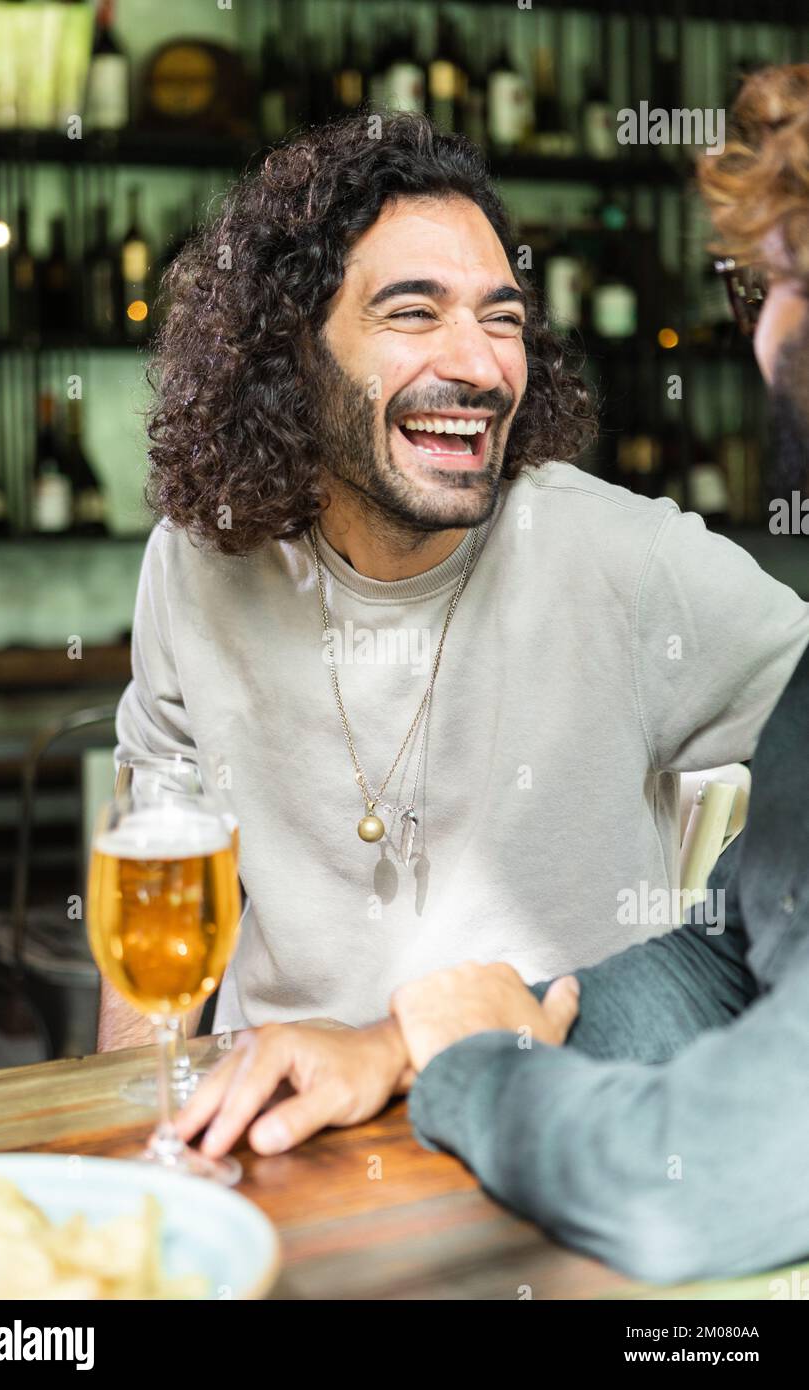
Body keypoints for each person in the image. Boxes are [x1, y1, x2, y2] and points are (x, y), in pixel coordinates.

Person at [176, 65, 809, 1286]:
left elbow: (718, 1177)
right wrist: (403, 1045)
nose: (762, 329)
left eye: (780, 280)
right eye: (412, 311)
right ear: (283, 357)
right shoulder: (194, 561)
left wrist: (469, 1069)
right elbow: (734, 952)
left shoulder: (627, 557)